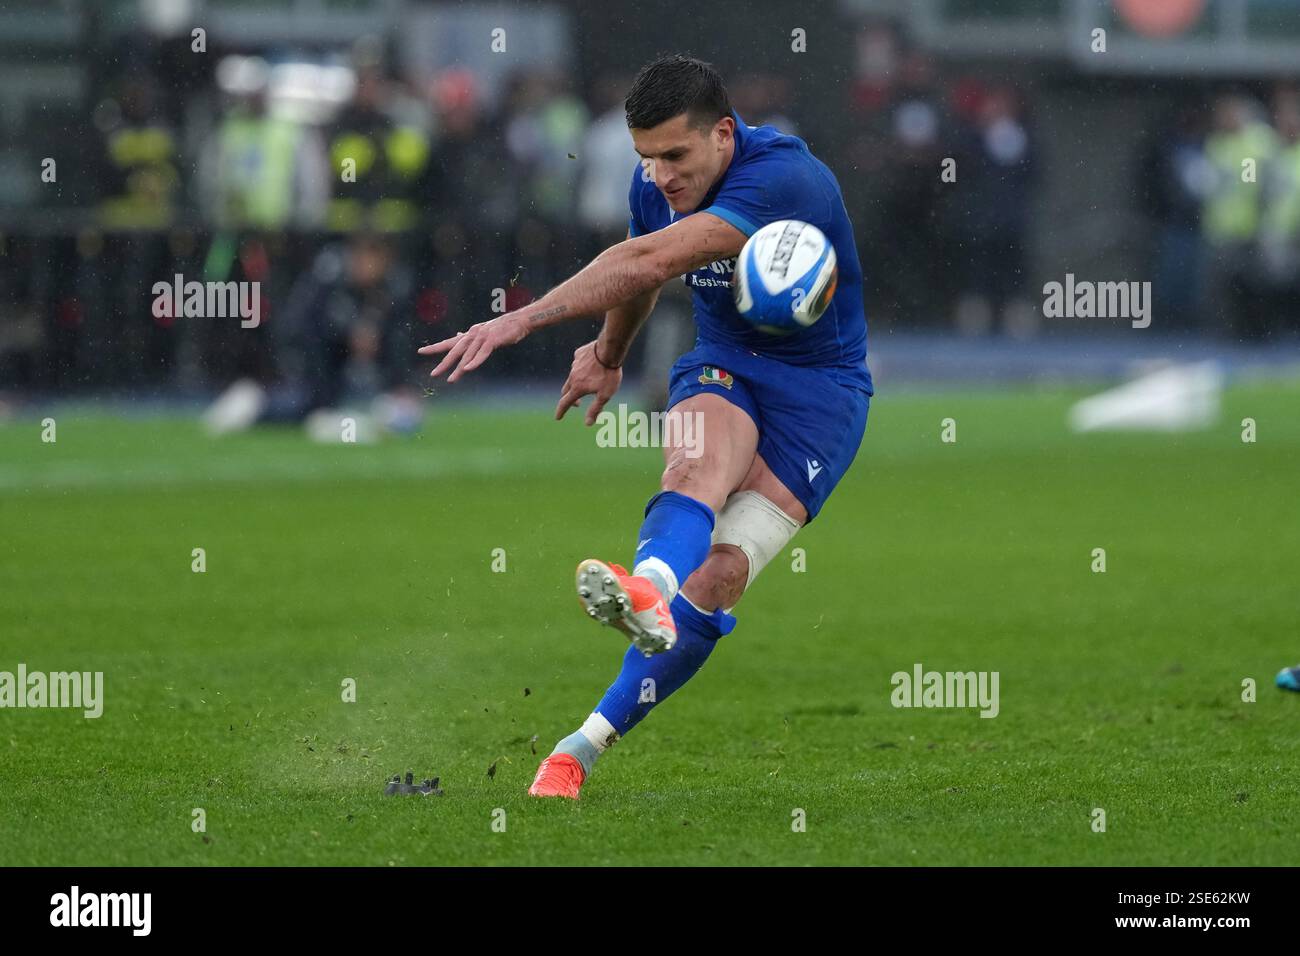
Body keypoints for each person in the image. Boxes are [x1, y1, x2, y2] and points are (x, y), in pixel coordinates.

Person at [419, 55, 874, 799]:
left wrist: (522, 319)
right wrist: (607, 355)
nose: (659, 175)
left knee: (722, 575)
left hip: (820, 396)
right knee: (695, 471)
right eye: (645, 157)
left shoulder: (785, 179)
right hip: (724, 361)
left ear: (724, 134)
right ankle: (646, 588)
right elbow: (644, 273)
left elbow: (649, 257)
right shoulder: (654, 184)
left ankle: (581, 746)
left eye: (674, 155)